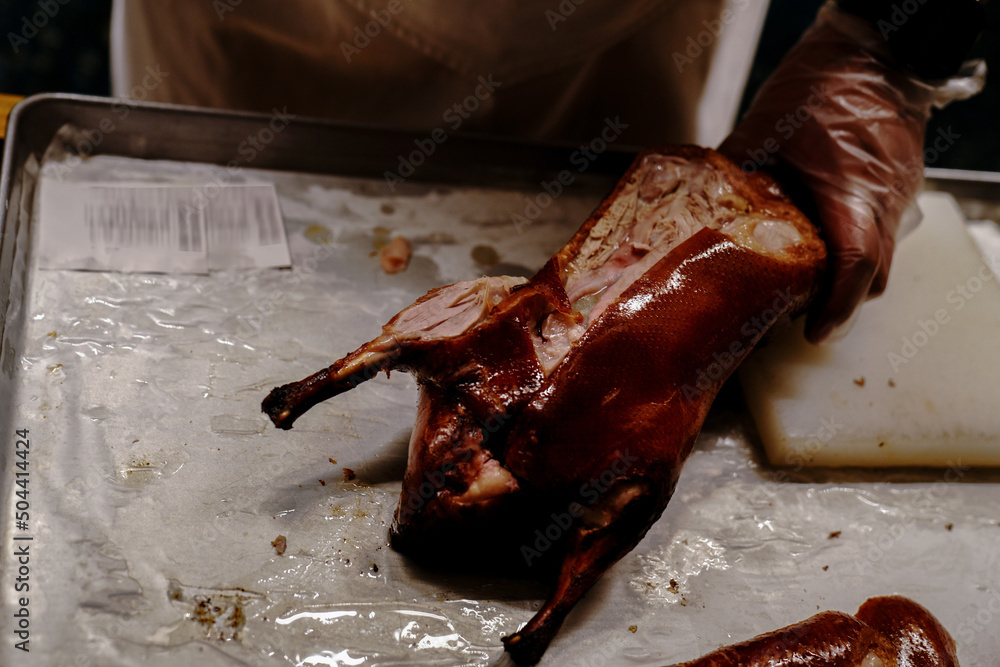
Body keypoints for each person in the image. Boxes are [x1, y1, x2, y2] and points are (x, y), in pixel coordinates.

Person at [110, 0, 986, 342]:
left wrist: (891, 42)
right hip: (265, 33)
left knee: (612, 323)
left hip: (623, 29)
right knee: (199, 325)